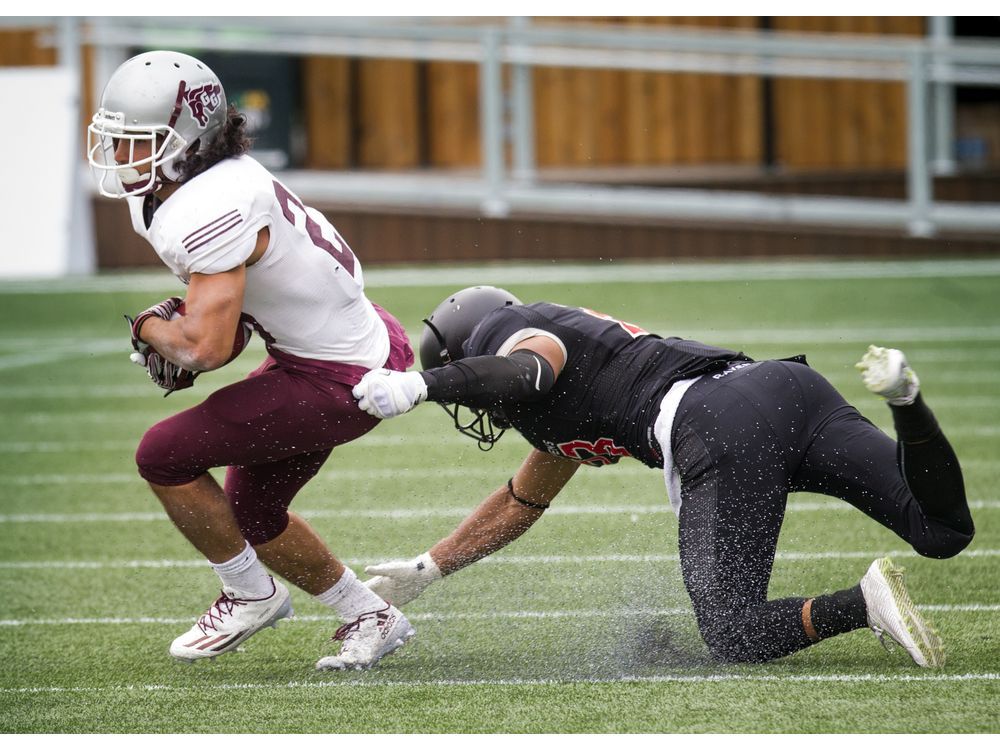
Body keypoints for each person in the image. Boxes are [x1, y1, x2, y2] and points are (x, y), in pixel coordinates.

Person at [351, 286, 975, 667]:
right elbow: (521, 501)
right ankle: (905, 399)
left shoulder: (509, 332)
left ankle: (863, 603)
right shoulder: (555, 411)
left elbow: (529, 371)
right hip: (785, 389)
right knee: (941, 528)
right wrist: (431, 567)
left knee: (733, 635)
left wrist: (423, 384)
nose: (476, 407)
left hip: (718, 423)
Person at [87, 50, 415, 671]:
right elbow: (241, 316)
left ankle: (248, 594)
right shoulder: (196, 183)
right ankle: (371, 614)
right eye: (116, 138)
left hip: (338, 377)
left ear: (187, 141)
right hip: (343, 345)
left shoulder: (208, 204)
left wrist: (149, 326)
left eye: (138, 142)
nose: (120, 155)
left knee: (162, 454)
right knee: (254, 512)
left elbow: (205, 349)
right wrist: (188, 319)